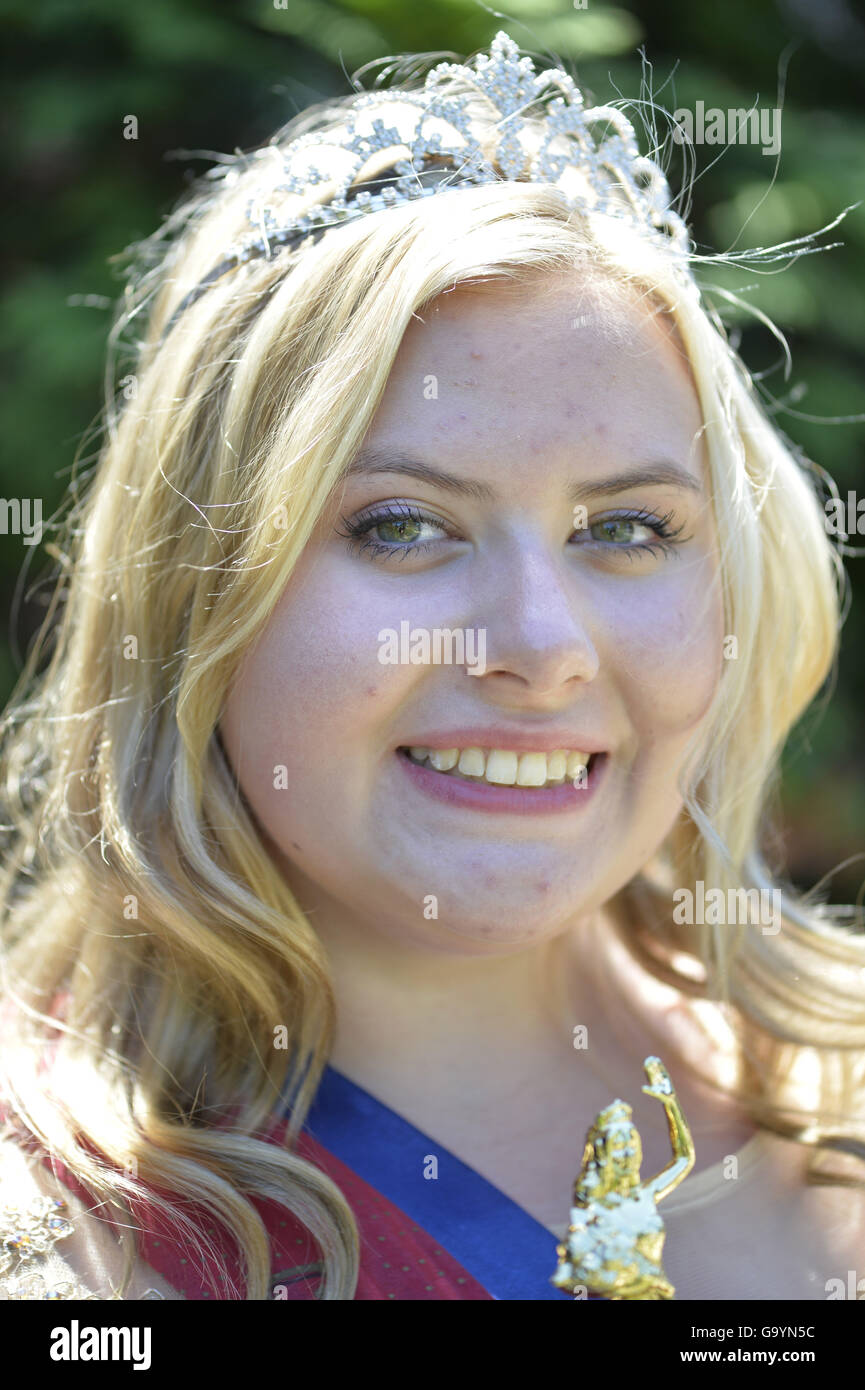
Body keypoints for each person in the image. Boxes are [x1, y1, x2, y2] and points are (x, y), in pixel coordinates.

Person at [0, 31, 863, 1302]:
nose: (541, 649)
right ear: (193, 593)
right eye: (401, 524)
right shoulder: (68, 1250)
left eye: (626, 527)